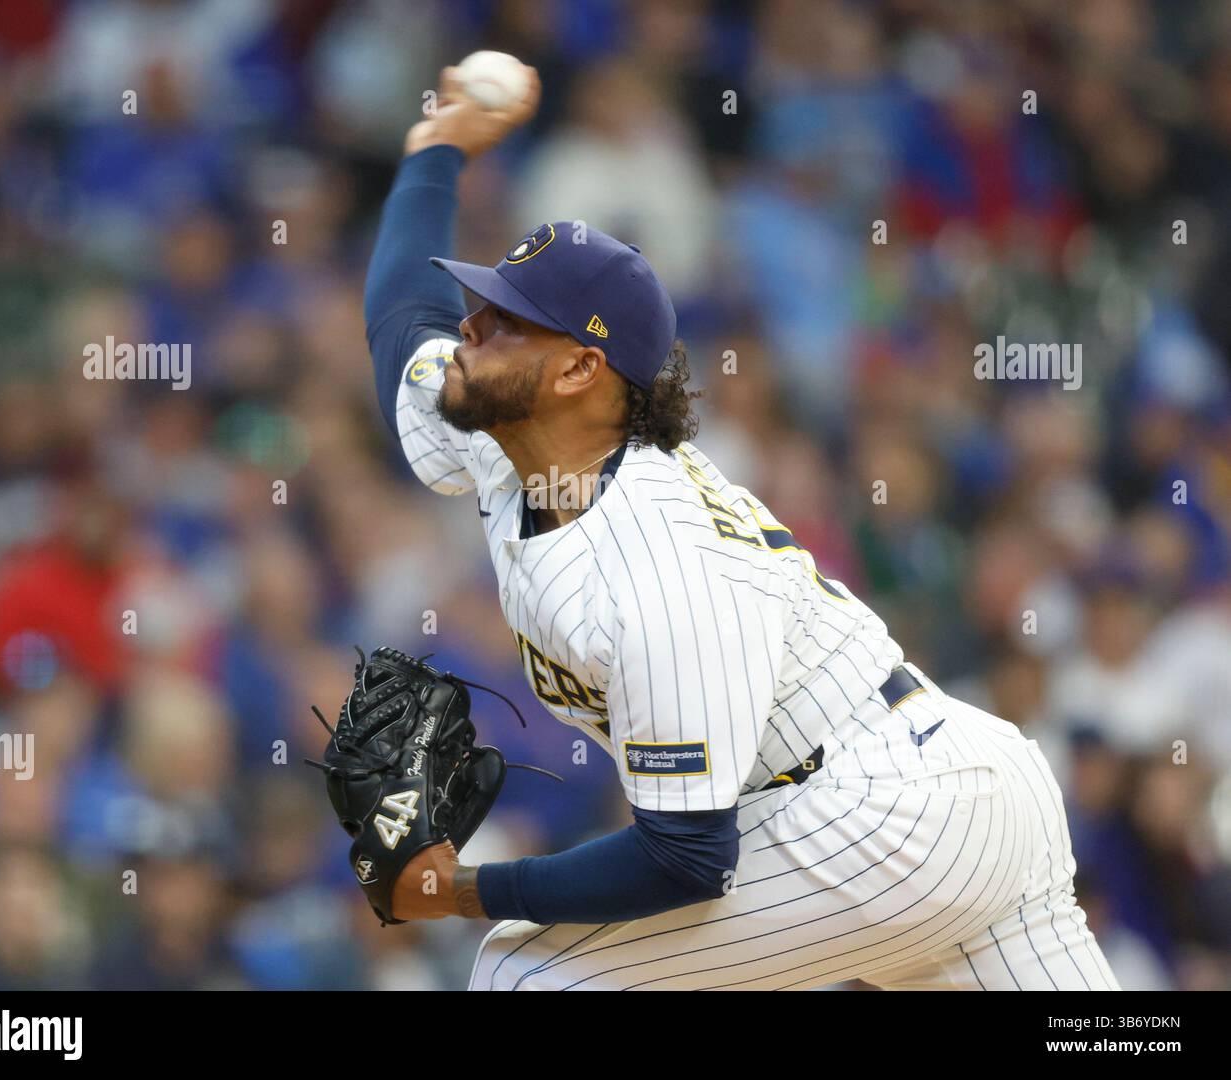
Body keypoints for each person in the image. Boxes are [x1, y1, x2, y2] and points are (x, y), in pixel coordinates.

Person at [361, 66, 1120, 991]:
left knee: (529, 976)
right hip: (951, 790)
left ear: (577, 372)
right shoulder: (506, 437)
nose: (469, 327)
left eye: (506, 320)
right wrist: (434, 149)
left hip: (879, 810)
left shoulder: (659, 564)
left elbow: (685, 860)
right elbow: (406, 316)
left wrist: (462, 888)